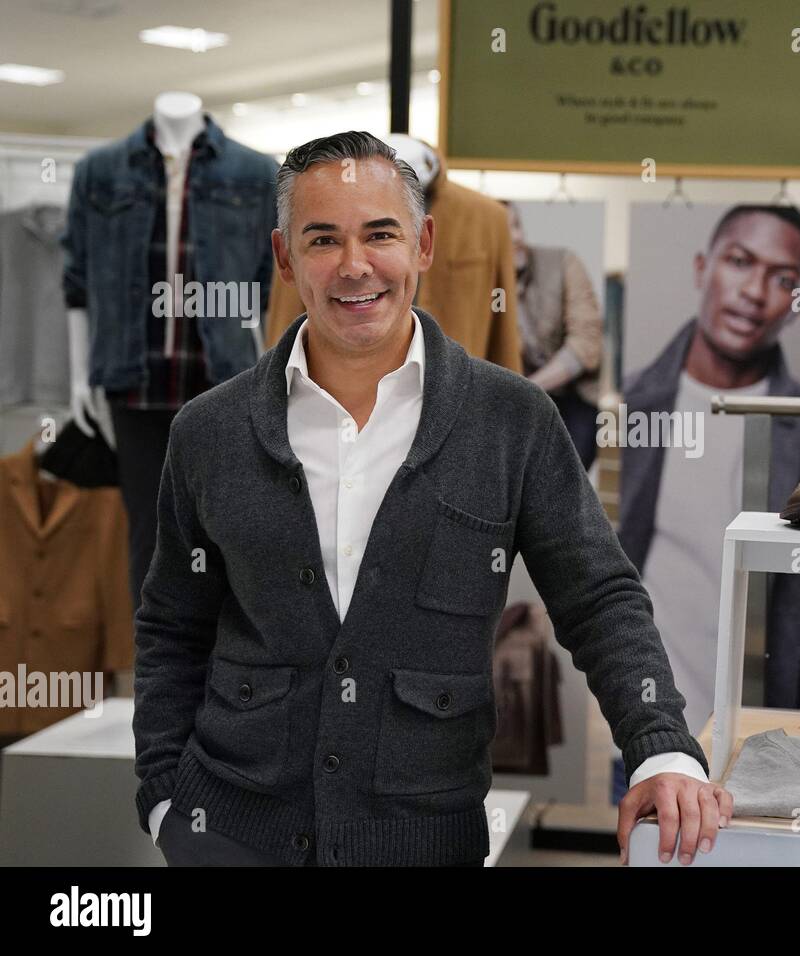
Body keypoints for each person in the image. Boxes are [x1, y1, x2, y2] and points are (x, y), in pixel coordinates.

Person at [133, 131, 730, 868]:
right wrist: (162, 793)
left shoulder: (511, 421)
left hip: (424, 841)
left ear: (423, 243)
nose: (355, 266)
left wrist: (660, 748)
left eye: (380, 234)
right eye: (323, 239)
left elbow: (599, 597)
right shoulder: (210, 431)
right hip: (226, 832)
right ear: (285, 259)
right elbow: (171, 625)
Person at [619, 205, 800, 735]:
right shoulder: (633, 405)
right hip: (647, 735)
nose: (755, 291)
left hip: (764, 736)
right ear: (701, 268)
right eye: (739, 261)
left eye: (783, 279)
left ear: (798, 302)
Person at [503, 200, 604, 469]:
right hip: (509, 401)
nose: (517, 237)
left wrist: (532, 387)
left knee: (565, 477)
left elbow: (586, 344)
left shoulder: (563, 262)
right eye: (505, 230)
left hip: (571, 398)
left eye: (517, 226)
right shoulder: (481, 281)